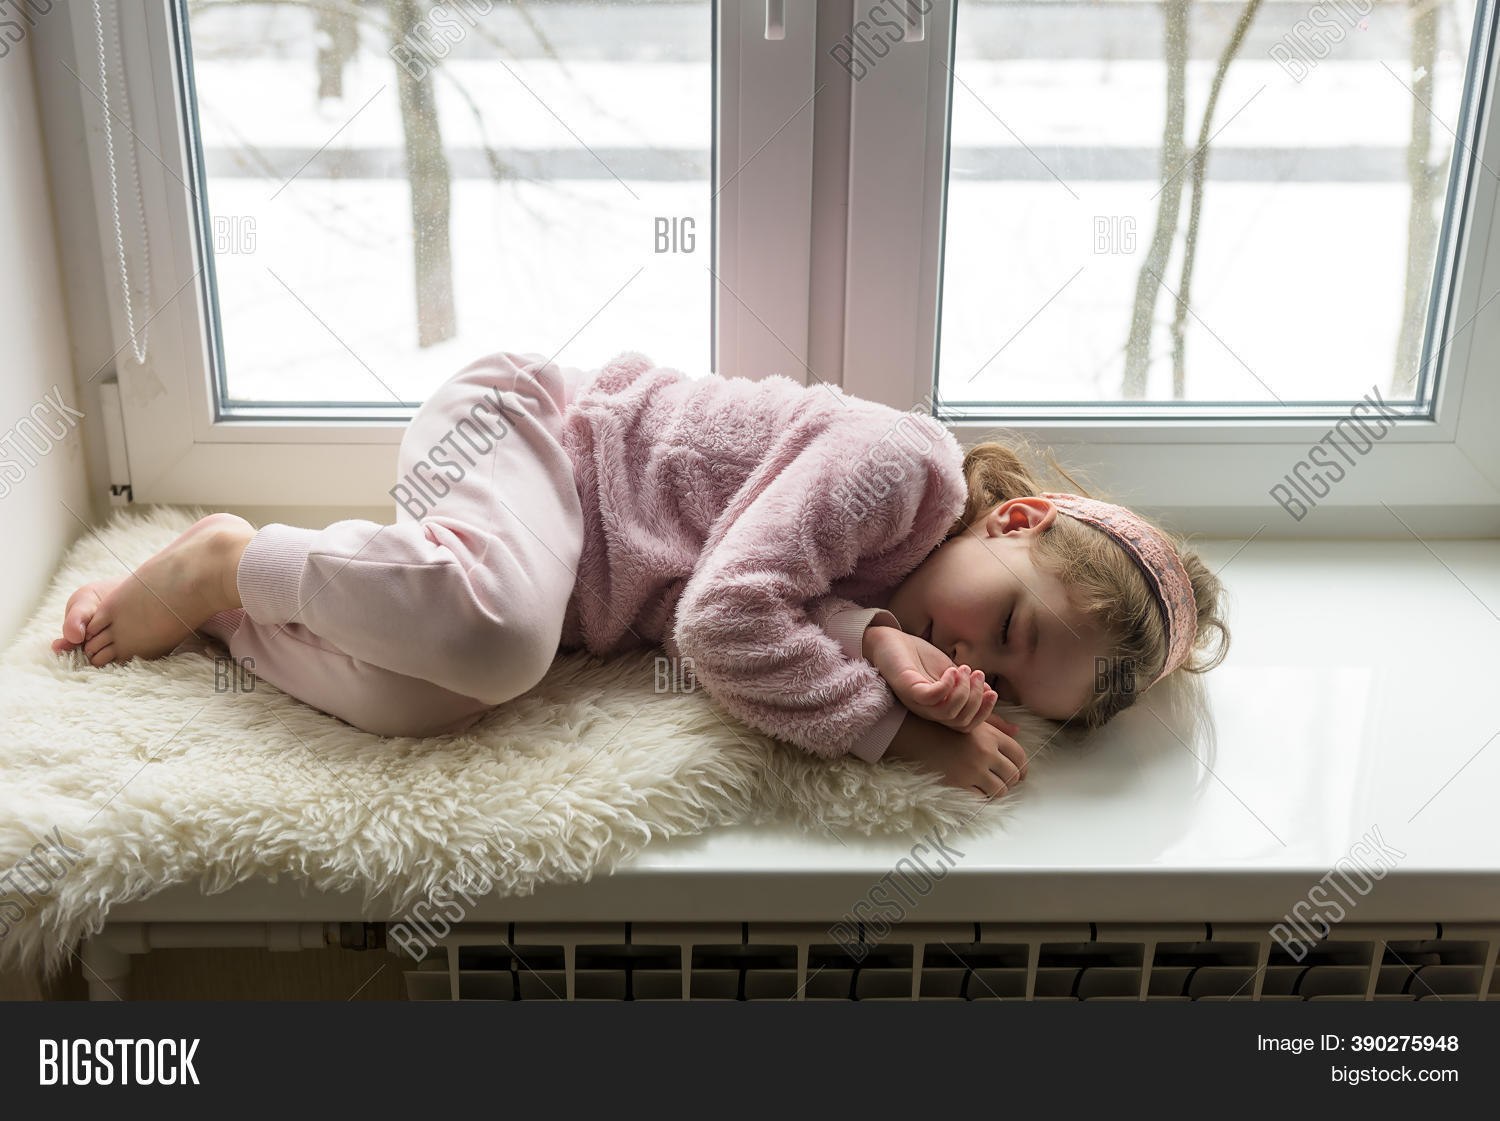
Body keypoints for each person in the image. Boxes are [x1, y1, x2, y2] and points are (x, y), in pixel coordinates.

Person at [51, 349, 1229, 798]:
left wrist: (878, 644)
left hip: (552, 572)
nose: (974, 663)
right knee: (500, 640)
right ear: (1015, 516)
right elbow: (725, 618)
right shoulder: (901, 465)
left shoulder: (898, 595)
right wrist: (893, 731)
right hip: (530, 439)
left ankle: (232, 608)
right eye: (1009, 628)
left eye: (1007, 686)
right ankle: (230, 555)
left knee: (429, 698)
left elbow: (806, 605)